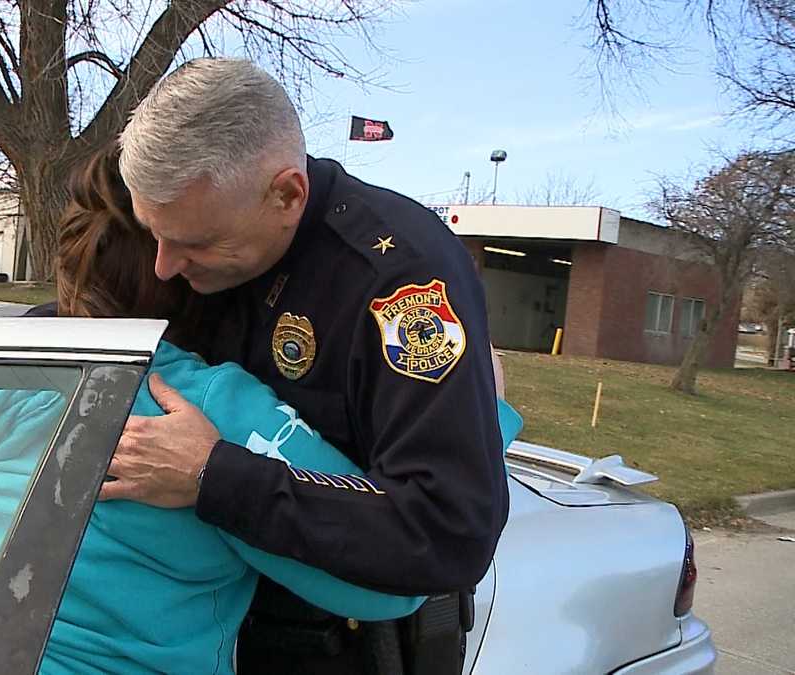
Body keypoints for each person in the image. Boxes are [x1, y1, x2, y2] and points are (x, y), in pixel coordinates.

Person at [0, 147, 524, 675]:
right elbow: (392, 588)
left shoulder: (0, 376)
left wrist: (34, 331)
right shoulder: (212, 407)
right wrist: (482, 412)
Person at [104, 57, 511, 670]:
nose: (164, 266)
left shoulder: (401, 282)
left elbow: (447, 529)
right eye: (154, 235)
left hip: (347, 642)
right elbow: (105, 294)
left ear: (287, 194)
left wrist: (214, 476)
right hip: (224, 630)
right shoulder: (203, 222)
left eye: (196, 244)